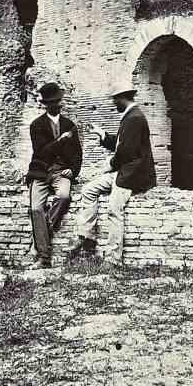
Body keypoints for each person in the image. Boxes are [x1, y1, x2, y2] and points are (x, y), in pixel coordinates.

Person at [67, 84, 156, 264]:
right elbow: (121, 144)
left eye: (115, 100)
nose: (114, 104)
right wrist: (102, 134)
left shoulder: (135, 118)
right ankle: (87, 238)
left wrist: (109, 164)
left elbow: (127, 152)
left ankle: (113, 259)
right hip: (123, 172)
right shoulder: (130, 116)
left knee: (114, 211)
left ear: (123, 98)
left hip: (132, 175)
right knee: (88, 190)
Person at [22, 81, 82, 267]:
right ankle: (44, 258)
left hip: (61, 172)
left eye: (57, 101)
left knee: (63, 197)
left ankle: (42, 237)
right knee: (35, 209)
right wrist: (61, 140)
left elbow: (78, 153)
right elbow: (42, 152)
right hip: (40, 172)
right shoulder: (36, 125)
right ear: (45, 105)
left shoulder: (69, 125)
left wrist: (73, 170)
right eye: (51, 102)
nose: (55, 105)